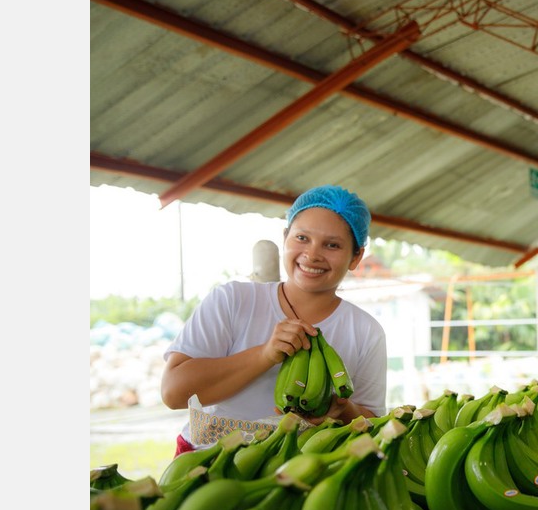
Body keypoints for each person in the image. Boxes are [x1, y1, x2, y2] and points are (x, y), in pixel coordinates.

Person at [161, 185, 388, 454]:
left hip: (299, 475)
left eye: (332, 245)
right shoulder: (233, 300)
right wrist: (265, 355)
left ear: (356, 256)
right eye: (302, 238)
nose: (313, 254)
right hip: (206, 463)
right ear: (285, 238)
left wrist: (342, 410)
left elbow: (374, 426)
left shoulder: (365, 331)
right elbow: (173, 393)